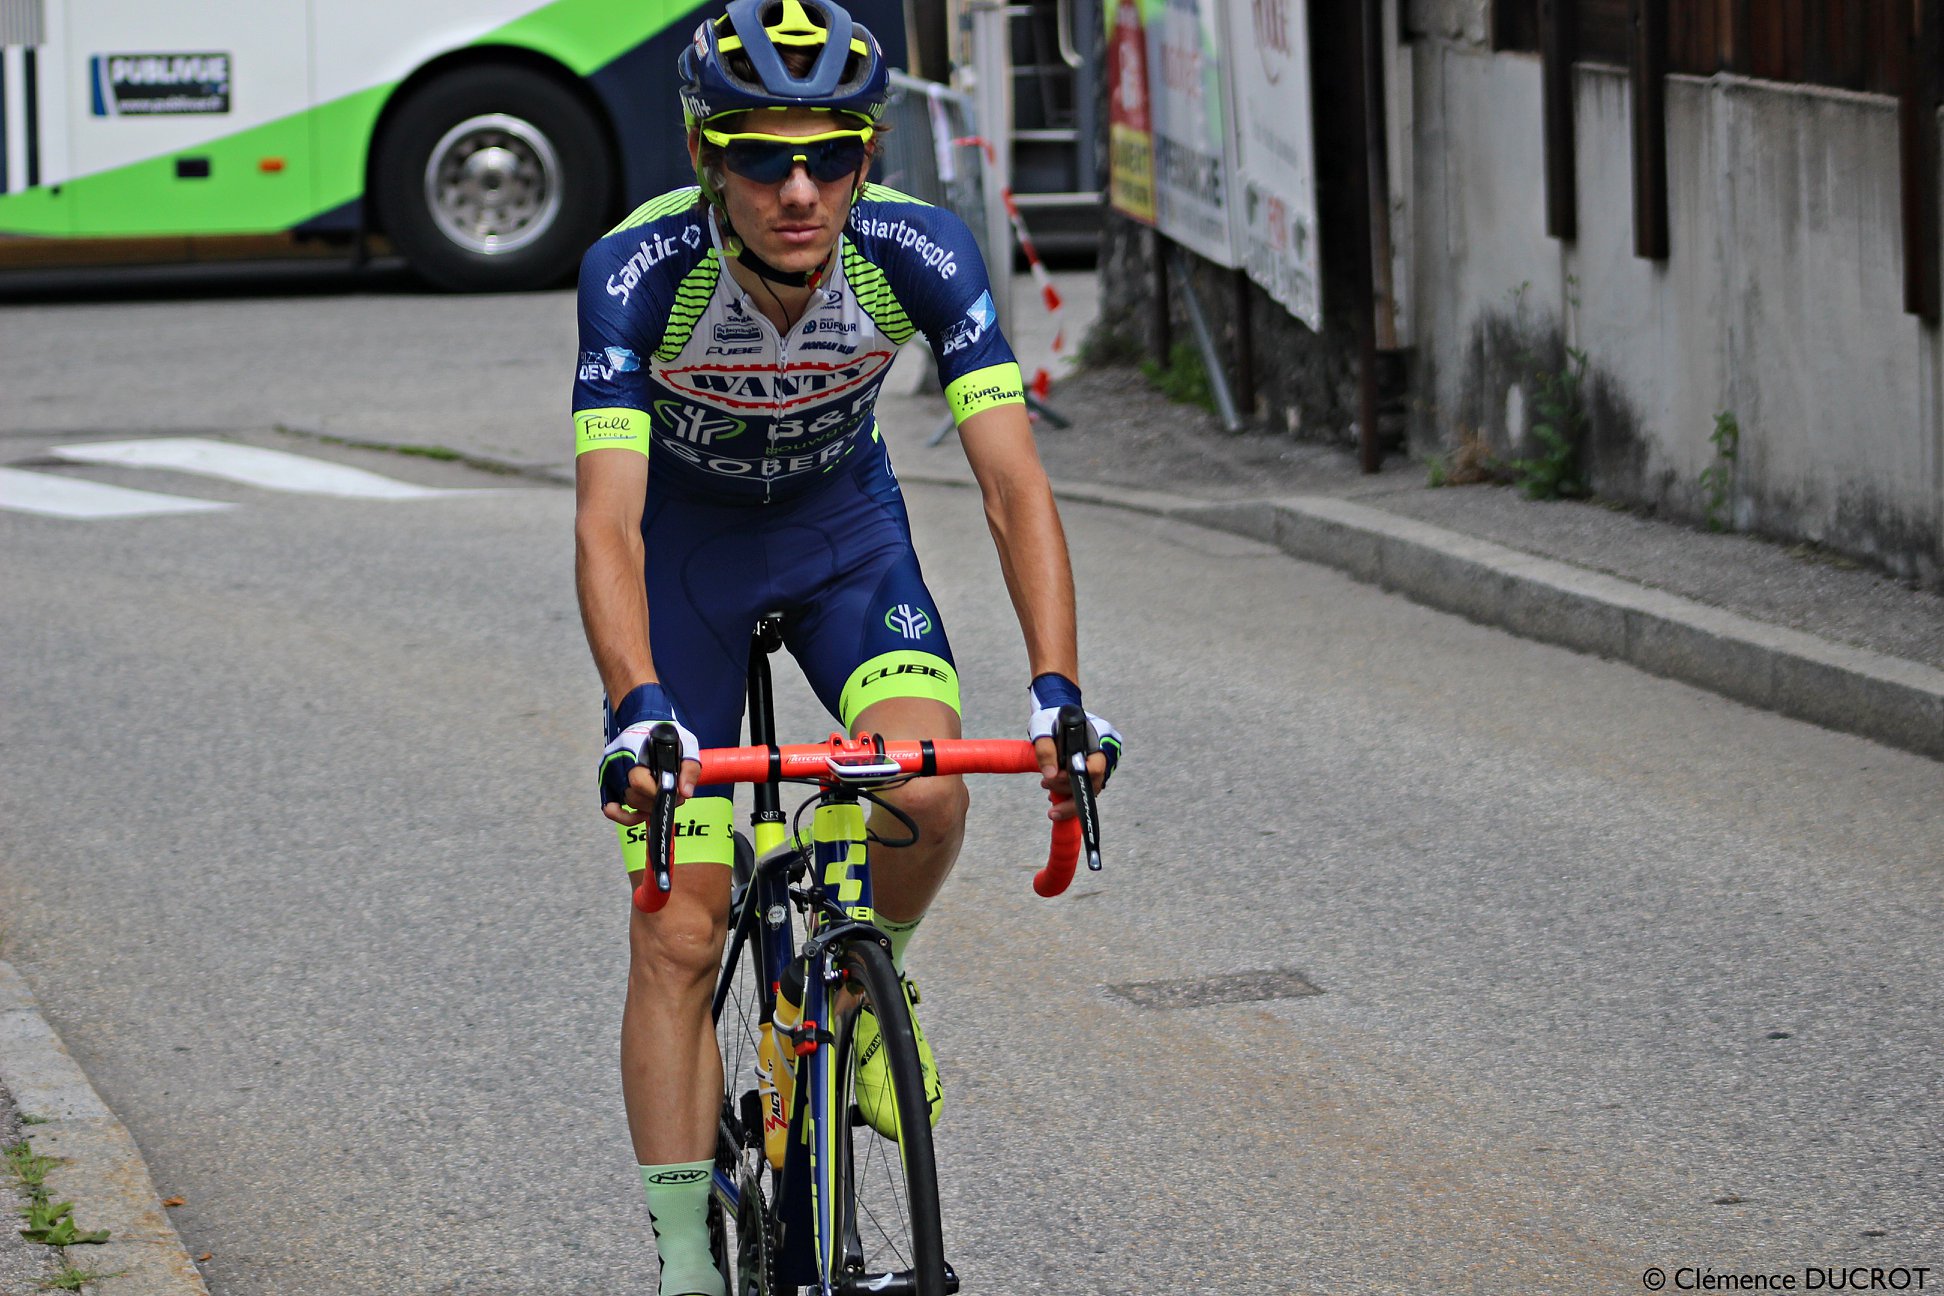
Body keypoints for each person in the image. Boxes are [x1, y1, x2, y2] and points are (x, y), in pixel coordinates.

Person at [571, 3, 1121, 1292]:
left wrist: (1056, 694)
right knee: (682, 931)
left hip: (841, 543)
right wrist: (640, 705)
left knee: (924, 785)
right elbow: (605, 522)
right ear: (710, 158)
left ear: (869, 157)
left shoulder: (918, 253)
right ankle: (684, 1255)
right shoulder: (638, 271)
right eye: (762, 156)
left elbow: (1010, 486)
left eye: (831, 154)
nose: (799, 188)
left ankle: (872, 996)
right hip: (687, 562)